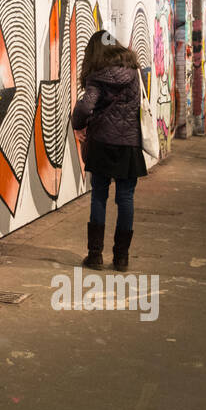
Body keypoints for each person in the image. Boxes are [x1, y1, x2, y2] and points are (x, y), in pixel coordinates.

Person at [71, 30, 148, 272]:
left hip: (102, 143)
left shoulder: (97, 76)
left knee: (99, 197)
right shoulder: (134, 73)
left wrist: (78, 125)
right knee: (125, 199)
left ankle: (95, 256)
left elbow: (85, 107)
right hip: (128, 144)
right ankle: (121, 258)